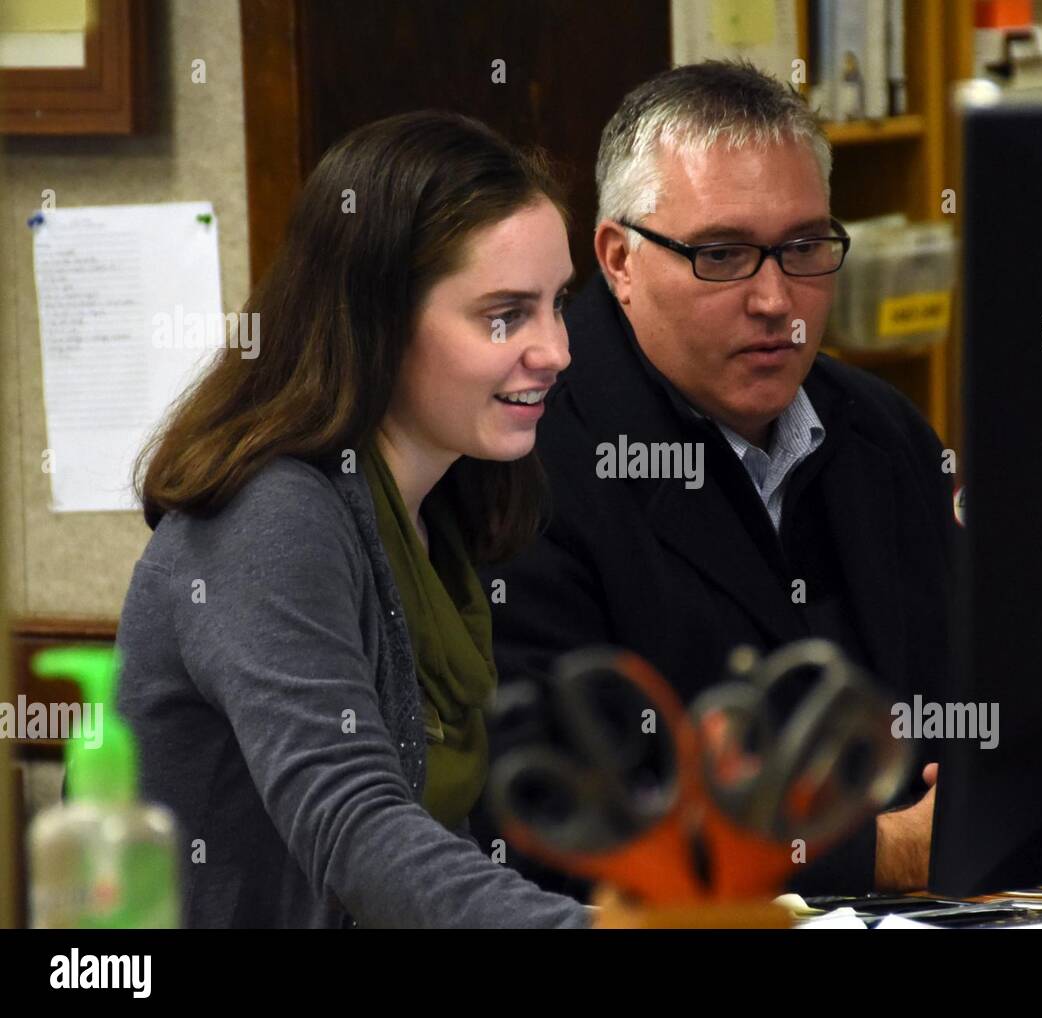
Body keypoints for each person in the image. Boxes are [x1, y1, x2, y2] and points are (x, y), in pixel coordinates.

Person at [483, 62, 956, 895]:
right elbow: (554, 825)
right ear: (619, 260)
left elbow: (976, 707)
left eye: (805, 248)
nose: (776, 299)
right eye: (723, 255)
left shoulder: (882, 431)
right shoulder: (525, 457)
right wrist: (884, 853)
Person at [115, 111, 587, 928]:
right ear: (378, 322)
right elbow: (354, 824)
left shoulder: (442, 504)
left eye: (557, 305)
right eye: (505, 315)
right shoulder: (269, 517)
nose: (556, 349)